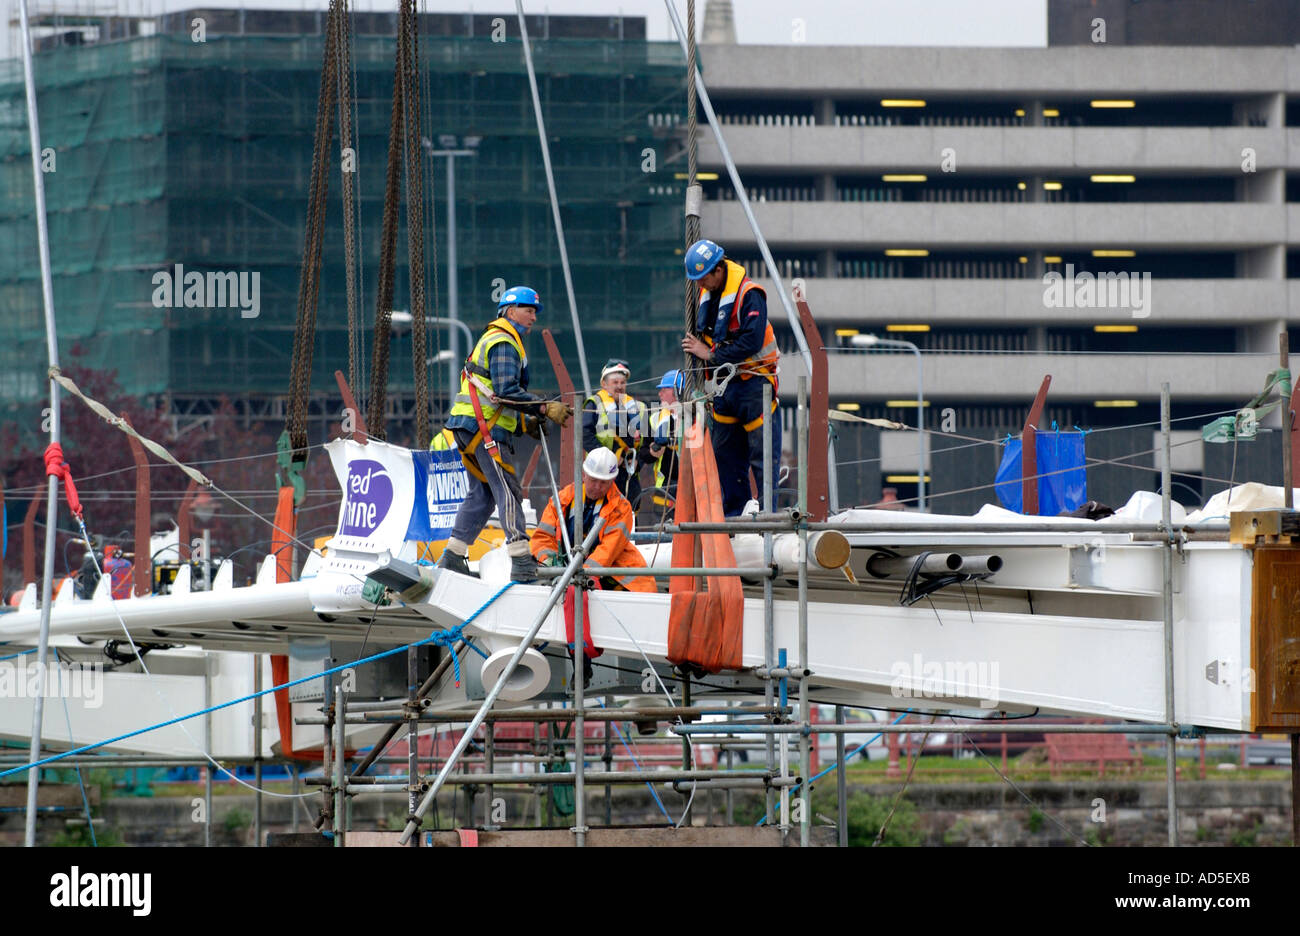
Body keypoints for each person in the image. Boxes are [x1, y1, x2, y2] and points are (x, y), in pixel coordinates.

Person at [437, 286, 573, 583]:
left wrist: (525, 423)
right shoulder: (503, 341)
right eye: (529, 310)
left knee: (483, 495)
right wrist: (544, 408)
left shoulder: (497, 339)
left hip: (470, 428)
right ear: (510, 312)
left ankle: (453, 555)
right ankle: (522, 559)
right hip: (484, 430)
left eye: (535, 311)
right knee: (508, 491)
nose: (533, 317)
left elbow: (496, 397)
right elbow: (505, 391)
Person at [680, 238, 782, 516]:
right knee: (725, 454)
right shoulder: (706, 296)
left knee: (762, 454)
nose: (700, 285)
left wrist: (709, 355)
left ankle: (767, 514)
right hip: (725, 388)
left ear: (718, 270)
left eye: (703, 279)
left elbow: (751, 341)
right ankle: (735, 512)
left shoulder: (750, 294)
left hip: (754, 383)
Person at [530, 447, 656, 594]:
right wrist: (550, 564)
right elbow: (542, 538)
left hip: (614, 579)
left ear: (612, 480)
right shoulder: (563, 500)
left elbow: (607, 552)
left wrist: (578, 576)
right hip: (566, 573)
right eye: (593, 480)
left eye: (603, 482)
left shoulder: (621, 508)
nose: (597, 487)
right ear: (584, 475)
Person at [582, 358, 650, 509]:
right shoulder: (594, 404)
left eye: (623, 382)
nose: (620, 386)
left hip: (629, 476)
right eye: (615, 382)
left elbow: (647, 441)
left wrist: (639, 461)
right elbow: (585, 435)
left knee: (630, 516)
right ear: (604, 384)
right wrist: (608, 458)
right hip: (600, 475)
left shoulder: (638, 407)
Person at [648, 369, 683, 501]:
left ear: (678, 391)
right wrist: (653, 451)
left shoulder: (696, 416)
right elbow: (644, 456)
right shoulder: (655, 418)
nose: (660, 393)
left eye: (665, 389)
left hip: (693, 488)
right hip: (664, 491)